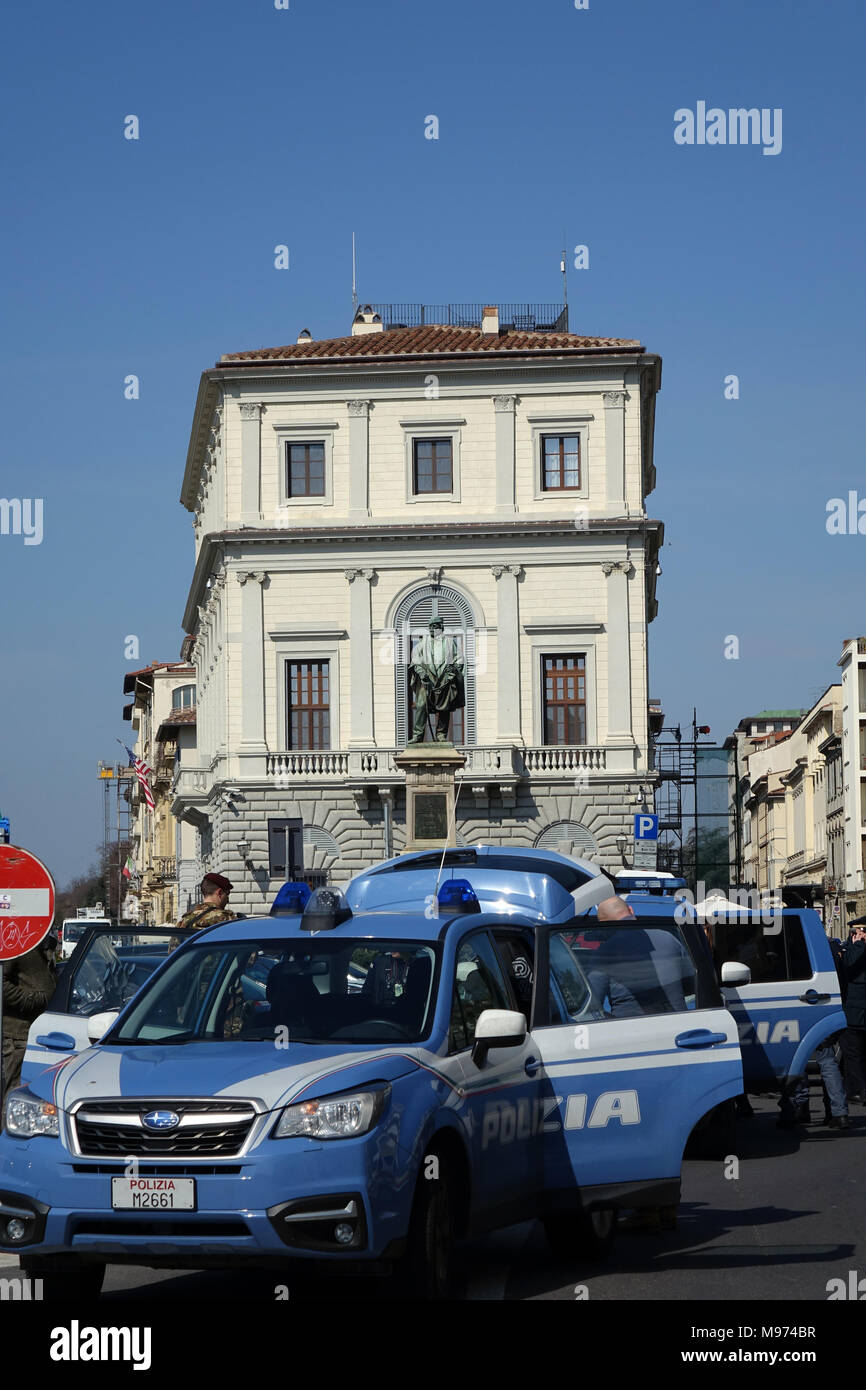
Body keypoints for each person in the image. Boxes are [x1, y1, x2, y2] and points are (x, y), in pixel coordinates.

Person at [2, 929, 58, 1095]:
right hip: (19, 1034)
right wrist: (34, 999)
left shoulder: (41, 936)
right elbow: (1, 982)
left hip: (40, 1030)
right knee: (16, 1094)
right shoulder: (14, 940)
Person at [408, 617, 464, 744]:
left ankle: (441, 735)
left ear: (441, 628)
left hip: (445, 679)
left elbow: (459, 659)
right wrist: (421, 672)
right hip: (427, 679)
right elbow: (416, 659)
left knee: (444, 708)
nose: (433, 629)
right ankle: (418, 735)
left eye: (436, 626)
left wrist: (452, 673)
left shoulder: (450, 643)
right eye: (431, 626)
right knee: (421, 705)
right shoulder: (423, 643)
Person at [171, 873, 236, 948]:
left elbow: (173, 952)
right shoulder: (226, 919)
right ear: (220, 893)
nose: (227, 900)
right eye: (227, 894)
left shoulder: (185, 920)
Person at [840, 918, 866, 1104]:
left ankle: (859, 1089)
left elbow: (848, 966)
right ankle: (855, 1088)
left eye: (856, 932)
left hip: (855, 1012)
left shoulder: (857, 950)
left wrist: (856, 947)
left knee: (853, 1055)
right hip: (855, 1012)